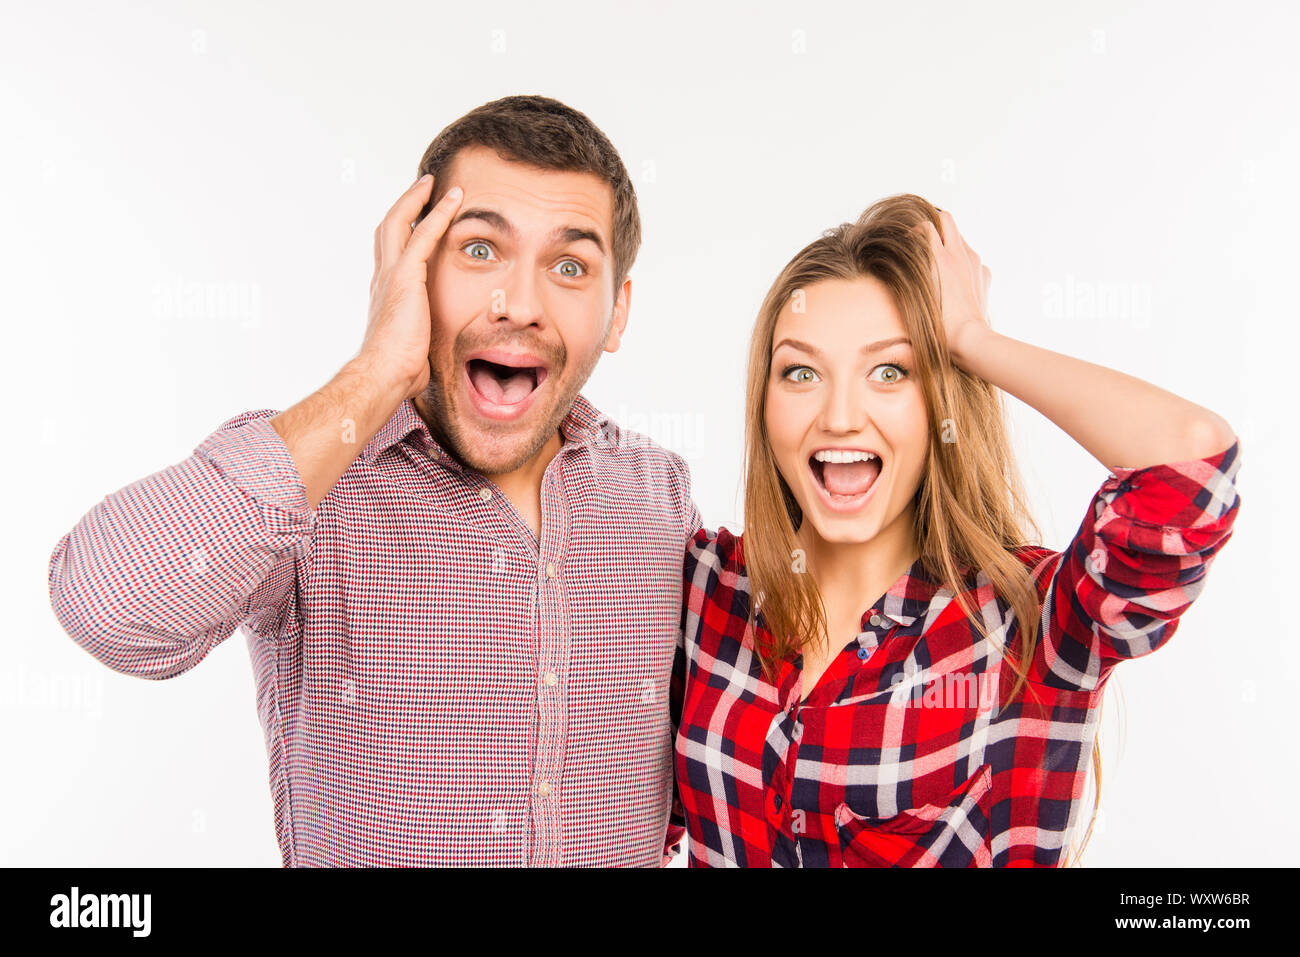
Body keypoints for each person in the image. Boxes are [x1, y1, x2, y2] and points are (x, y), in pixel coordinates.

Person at [47, 95, 700, 866]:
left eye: (569, 266)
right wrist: (379, 369)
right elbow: (106, 608)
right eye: (481, 250)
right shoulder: (311, 480)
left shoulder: (660, 494)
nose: (519, 304)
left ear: (617, 309)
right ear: (409, 269)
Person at [671, 195, 1242, 866]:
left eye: (891, 371)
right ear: (765, 402)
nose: (841, 415)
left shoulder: (1027, 625)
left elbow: (1191, 462)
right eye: (801, 372)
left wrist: (973, 337)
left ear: (941, 398)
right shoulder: (704, 589)